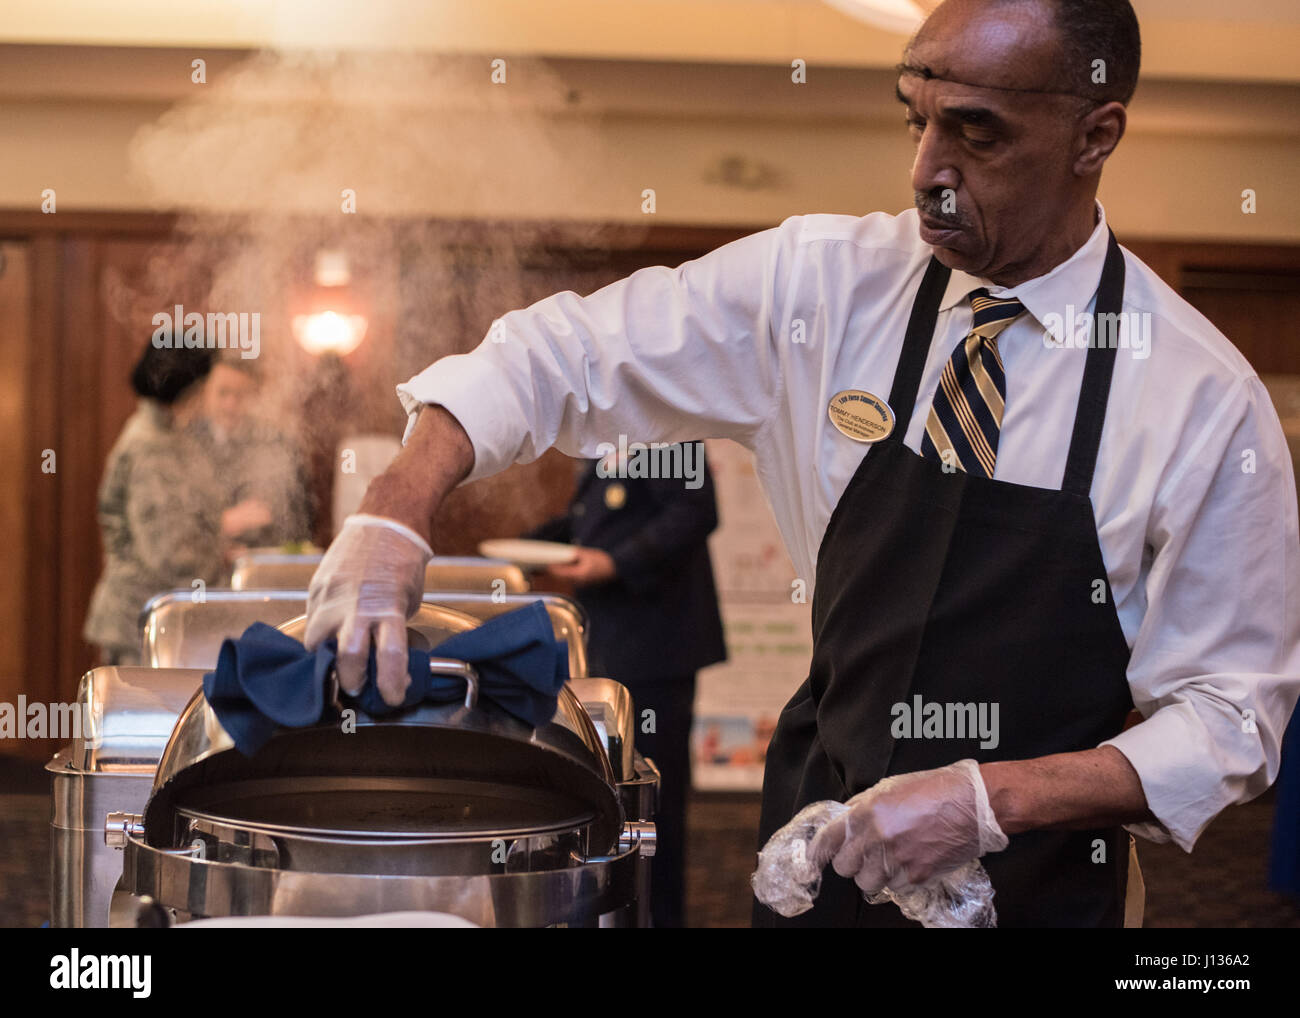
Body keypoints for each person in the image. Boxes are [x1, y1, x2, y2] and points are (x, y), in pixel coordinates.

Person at [304, 0, 1300, 927]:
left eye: (975, 131)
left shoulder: (1199, 399)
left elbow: (1231, 719)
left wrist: (988, 800)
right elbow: (557, 355)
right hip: (813, 854)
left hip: (1040, 884)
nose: (924, 168)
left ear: (1096, 135)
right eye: (914, 119)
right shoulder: (818, 287)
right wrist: (396, 505)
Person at [526, 443, 727, 927]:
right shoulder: (609, 438)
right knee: (616, 794)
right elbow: (590, 524)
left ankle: (659, 915)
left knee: (652, 805)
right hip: (614, 645)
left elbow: (695, 514)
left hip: (658, 648)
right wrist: (527, 547)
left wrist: (614, 563)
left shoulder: (670, 430)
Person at [83, 343, 274, 665]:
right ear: (188, 390)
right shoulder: (149, 448)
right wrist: (221, 540)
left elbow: (193, 517)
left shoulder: (173, 436)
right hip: (140, 623)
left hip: (162, 618)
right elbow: (169, 552)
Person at [188, 355, 313, 556]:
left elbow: (298, 521)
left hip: (261, 566)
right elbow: (173, 525)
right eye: (223, 393)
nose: (230, 405)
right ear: (206, 392)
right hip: (202, 567)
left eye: (240, 395)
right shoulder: (184, 445)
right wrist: (222, 524)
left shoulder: (276, 444)